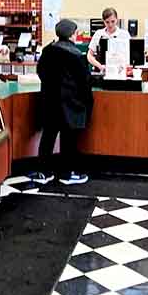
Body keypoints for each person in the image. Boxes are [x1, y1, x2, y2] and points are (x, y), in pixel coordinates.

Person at [31, 19, 92, 186]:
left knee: (48, 135)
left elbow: (40, 72)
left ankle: (43, 172)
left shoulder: (47, 51)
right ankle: (67, 174)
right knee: (68, 138)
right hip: (69, 103)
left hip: (49, 101)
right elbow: (84, 81)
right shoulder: (76, 55)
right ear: (72, 34)